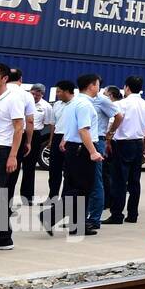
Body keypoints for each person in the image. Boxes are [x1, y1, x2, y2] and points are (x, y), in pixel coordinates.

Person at [45, 73, 102, 236]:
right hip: (81, 149)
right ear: (92, 85)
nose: (98, 87)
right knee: (81, 188)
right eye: (97, 84)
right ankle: (50, 216)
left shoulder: (73, 103)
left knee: (73, 186)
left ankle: (76, 225)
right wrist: (93, 152)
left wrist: (65, 140)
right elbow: (83, 129)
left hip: (73, 147)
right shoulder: (84, 105)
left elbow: (70, 126)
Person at [0, 63, 26, 255]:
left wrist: (13, 156)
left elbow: (19, 128)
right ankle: (3, 237)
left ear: (4, 78)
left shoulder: (13, 99)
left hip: (2, 152)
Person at [104, 76, 145, 223]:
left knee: (119, 181)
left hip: (122, 144)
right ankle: (133, 215)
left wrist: (109, 136)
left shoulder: (121, 104)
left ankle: (117, 215)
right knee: (134, 181)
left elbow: (115, 121)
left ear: (126, 87)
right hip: (138, 143)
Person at [89, 85, 122, 230]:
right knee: (83, 180)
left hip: (98, 141)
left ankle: (94, 218)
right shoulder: (82, 100)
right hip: (83, 141)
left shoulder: (102, 100)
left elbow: (119, 116)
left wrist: (110, 133)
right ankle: (80, 216)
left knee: (97, 180)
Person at [4, 68, 35, 211]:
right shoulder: (26, 95)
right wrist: (28, 141)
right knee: (12, 172)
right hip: (17, 136)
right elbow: (29, 121)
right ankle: (6, 206)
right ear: (21, 79)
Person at [45, 81, 75, 201]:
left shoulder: (76, 104)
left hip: (70, 138)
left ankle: (65, 199)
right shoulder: (57, 104)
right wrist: (51, 140)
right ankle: (52, 197)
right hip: (57, 137)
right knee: (54, 170)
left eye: (59, 91)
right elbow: (53, 124)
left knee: (68, 171)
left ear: (67, 91)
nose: (57, 94)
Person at [26, 84, 54, 205]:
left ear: (42, 95)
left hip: (35, 135)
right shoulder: (23, 101)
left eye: (38, 95)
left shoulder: (46, 106)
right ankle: (7, 194)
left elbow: (49, 123)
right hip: (20, 133)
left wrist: (50, 140)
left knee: (29, 167)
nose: (35, 96)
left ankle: (27, 196)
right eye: (33, 93)